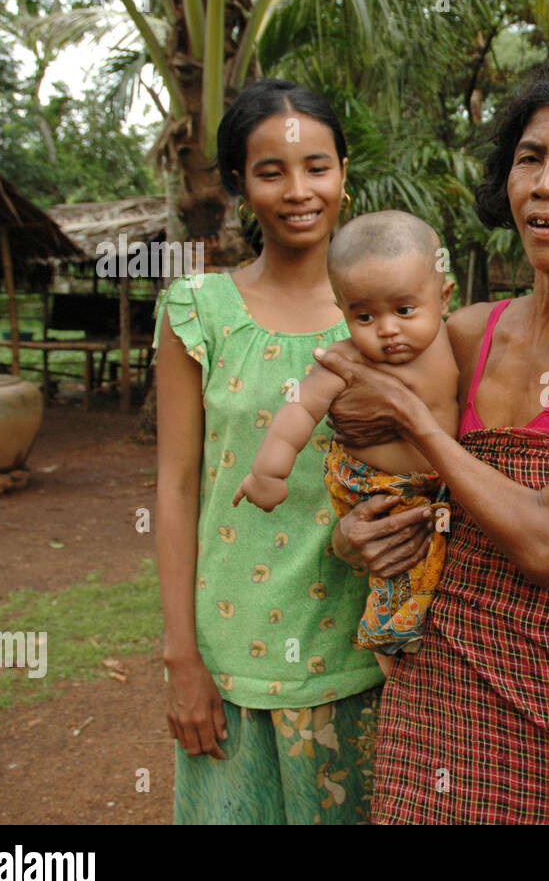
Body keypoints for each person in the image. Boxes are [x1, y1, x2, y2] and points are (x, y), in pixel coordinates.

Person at [313, 60, 549, 823]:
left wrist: (421, 421)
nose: (544, 183)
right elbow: (387, 471)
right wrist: (355, 536)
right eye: (530, 157)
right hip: (430, 693)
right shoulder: (463, 332)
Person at [154, 79, 383, 824]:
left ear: (345, 173)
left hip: (358, 654)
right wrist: (183, 659)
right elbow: (178, 485)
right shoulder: (198, 310)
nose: (299, 191)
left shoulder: (390, 320)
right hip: (229, 658)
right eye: (271, 171)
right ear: (238, 185)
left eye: (318, 166)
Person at [233, 210, 459, 677]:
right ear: (343, 312)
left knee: (438, 571)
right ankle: (393, 661)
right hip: (374, 485)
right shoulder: (343, 360)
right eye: (364, 315)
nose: (387, 329)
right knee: (401, 568)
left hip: (434, 485)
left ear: (443, 296)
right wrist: (268, 473)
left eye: (404, 309)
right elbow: (297, 411)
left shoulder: (458, 342)